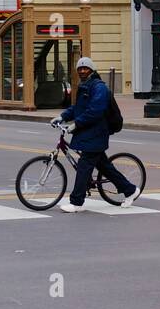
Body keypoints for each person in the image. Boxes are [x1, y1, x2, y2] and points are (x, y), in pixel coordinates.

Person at [54, 57, 139, 213]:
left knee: (84, 167)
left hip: (96, 134)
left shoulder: (99, 88)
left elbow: (95, 111)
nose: (82, 71)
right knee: (105, 167)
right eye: (79, 69)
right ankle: (130, 190)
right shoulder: (85, 86)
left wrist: (76, 124)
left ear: (91, 70)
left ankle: (77, 202)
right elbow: (77, 108)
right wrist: (63, 116)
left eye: (85, 68)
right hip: (89, 134)